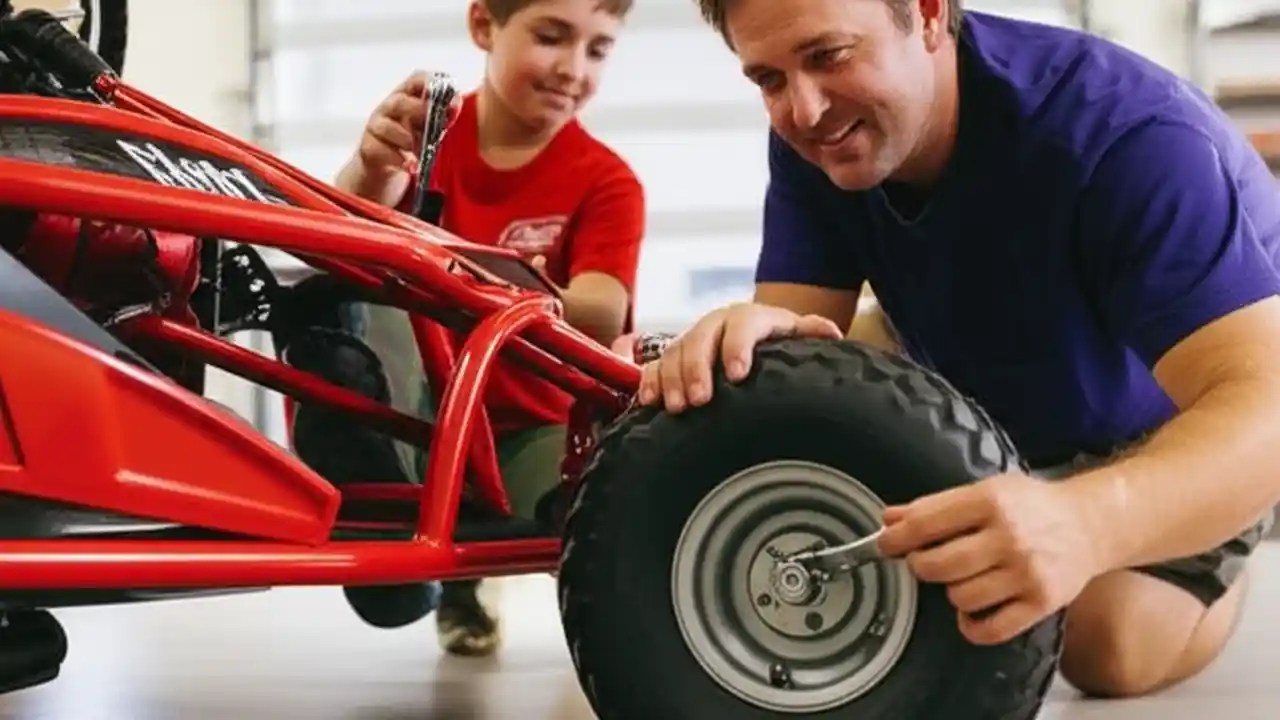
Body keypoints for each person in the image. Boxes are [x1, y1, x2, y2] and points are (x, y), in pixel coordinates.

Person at [641, 0, 1280, 700]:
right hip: (997, 385)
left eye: (829, 56)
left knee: (1106, 645)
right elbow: (794, 364)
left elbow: (1269, 409)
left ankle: (1226, 534)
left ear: (928, 13)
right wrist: (735, 345)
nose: (804, 109)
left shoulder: (1128, 139)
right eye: (768, 79)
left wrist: (1089, 522)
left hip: (1188, 425)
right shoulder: (823, 132)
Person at [299, 0, 645, 657]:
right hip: (417, 418)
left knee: (594, 515)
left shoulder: (607, 180)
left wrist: (478, 280)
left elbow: (601, 309)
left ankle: (442, 554)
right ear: (484, 26)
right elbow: (346, 237)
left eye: (598, 49)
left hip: (528, 425)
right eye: (552, 37)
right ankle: (383, 508)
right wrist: (374, 166)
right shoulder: (426, 143)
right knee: (350, 301)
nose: (573, 69)